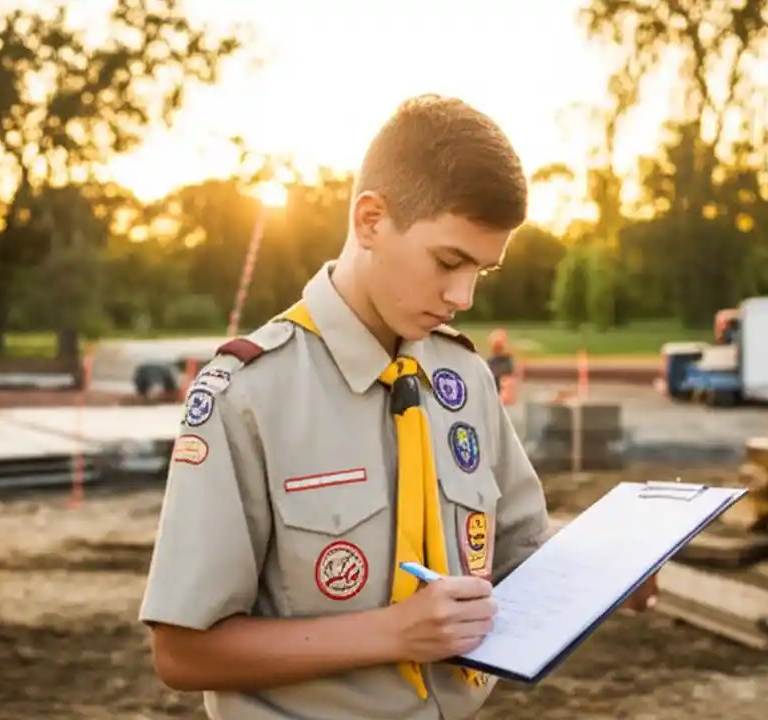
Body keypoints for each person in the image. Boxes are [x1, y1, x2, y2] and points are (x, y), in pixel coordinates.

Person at [139, 94, 658, 720]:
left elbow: (518, 553)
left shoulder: (462, 376)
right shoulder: (248, 394)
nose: (462, 295)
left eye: (482, 273)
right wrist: (395, 633)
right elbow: (182, 653)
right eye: (448, 261)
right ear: (370, 220)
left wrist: (603, 576)